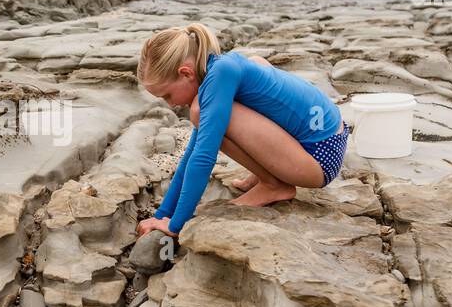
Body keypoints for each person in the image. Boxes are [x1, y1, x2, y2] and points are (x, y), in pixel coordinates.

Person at [135, 22, 348, 239]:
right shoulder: (220, 67)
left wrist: (174, 225)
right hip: (325, 142)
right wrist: (162, 215)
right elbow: (191, 154)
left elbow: (203, 156)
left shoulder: (221, 75)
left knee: (201, 112)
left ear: (186, 73)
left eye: (167, 95)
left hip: (320, 157)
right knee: (255, 64)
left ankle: (273, 185)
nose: (170, 105)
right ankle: (267, 175)